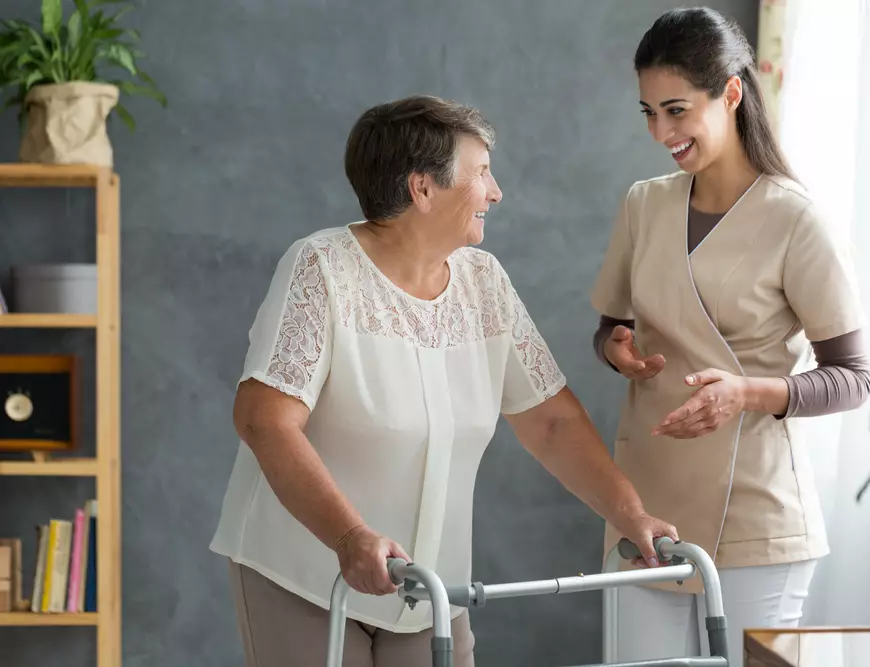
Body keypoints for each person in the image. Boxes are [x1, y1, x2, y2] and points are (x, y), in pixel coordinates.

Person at [209, 94, 679, 667]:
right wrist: (349, 538)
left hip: (430, 586)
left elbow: (551, 421)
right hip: (306, 574)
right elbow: (264, 420)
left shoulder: (485, 282)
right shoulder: (322, 268)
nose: (496, 191)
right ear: (422, 189)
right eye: (481, 173)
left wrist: (630, 513)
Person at [589, 8, 870, 666]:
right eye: (649, 112)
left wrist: (744, 392)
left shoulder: (797, 220)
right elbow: (610, 323)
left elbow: (853, 374)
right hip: (646, 507)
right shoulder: (644, 204)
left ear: (732, 93)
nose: (661, 131)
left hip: (757, 516)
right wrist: (616, 349)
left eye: (677, 110)